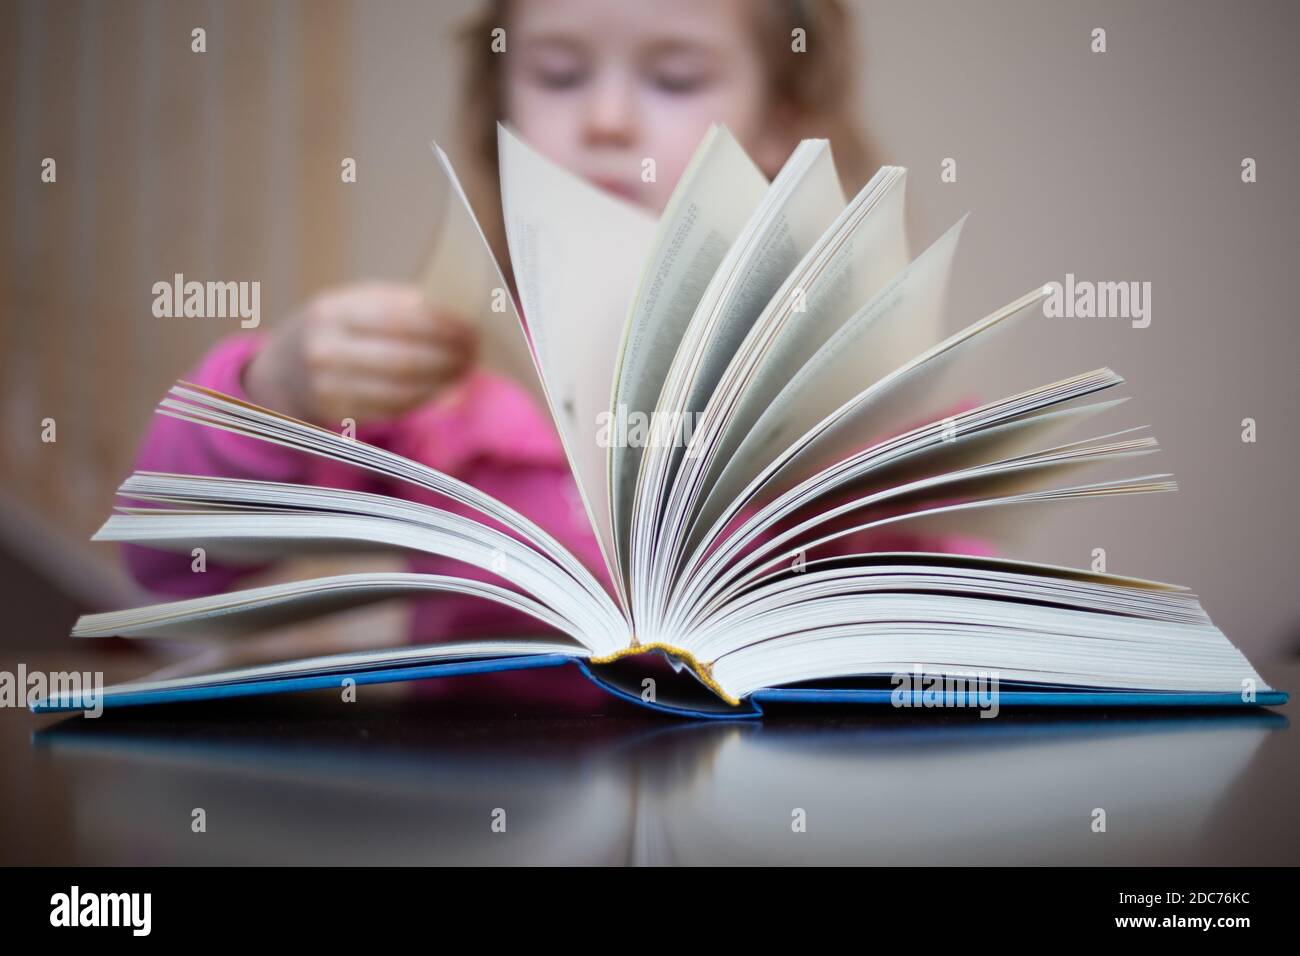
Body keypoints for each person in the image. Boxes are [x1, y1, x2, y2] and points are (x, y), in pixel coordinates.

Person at [126, 0, 982, 710]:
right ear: (502, 104)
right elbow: (170, 557)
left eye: (674, 77)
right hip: (475, 817)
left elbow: (954, 625)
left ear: (779, 119)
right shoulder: (434, 385)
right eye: (559, 74)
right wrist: (276, 388)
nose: (606, 120)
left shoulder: (844, 389)